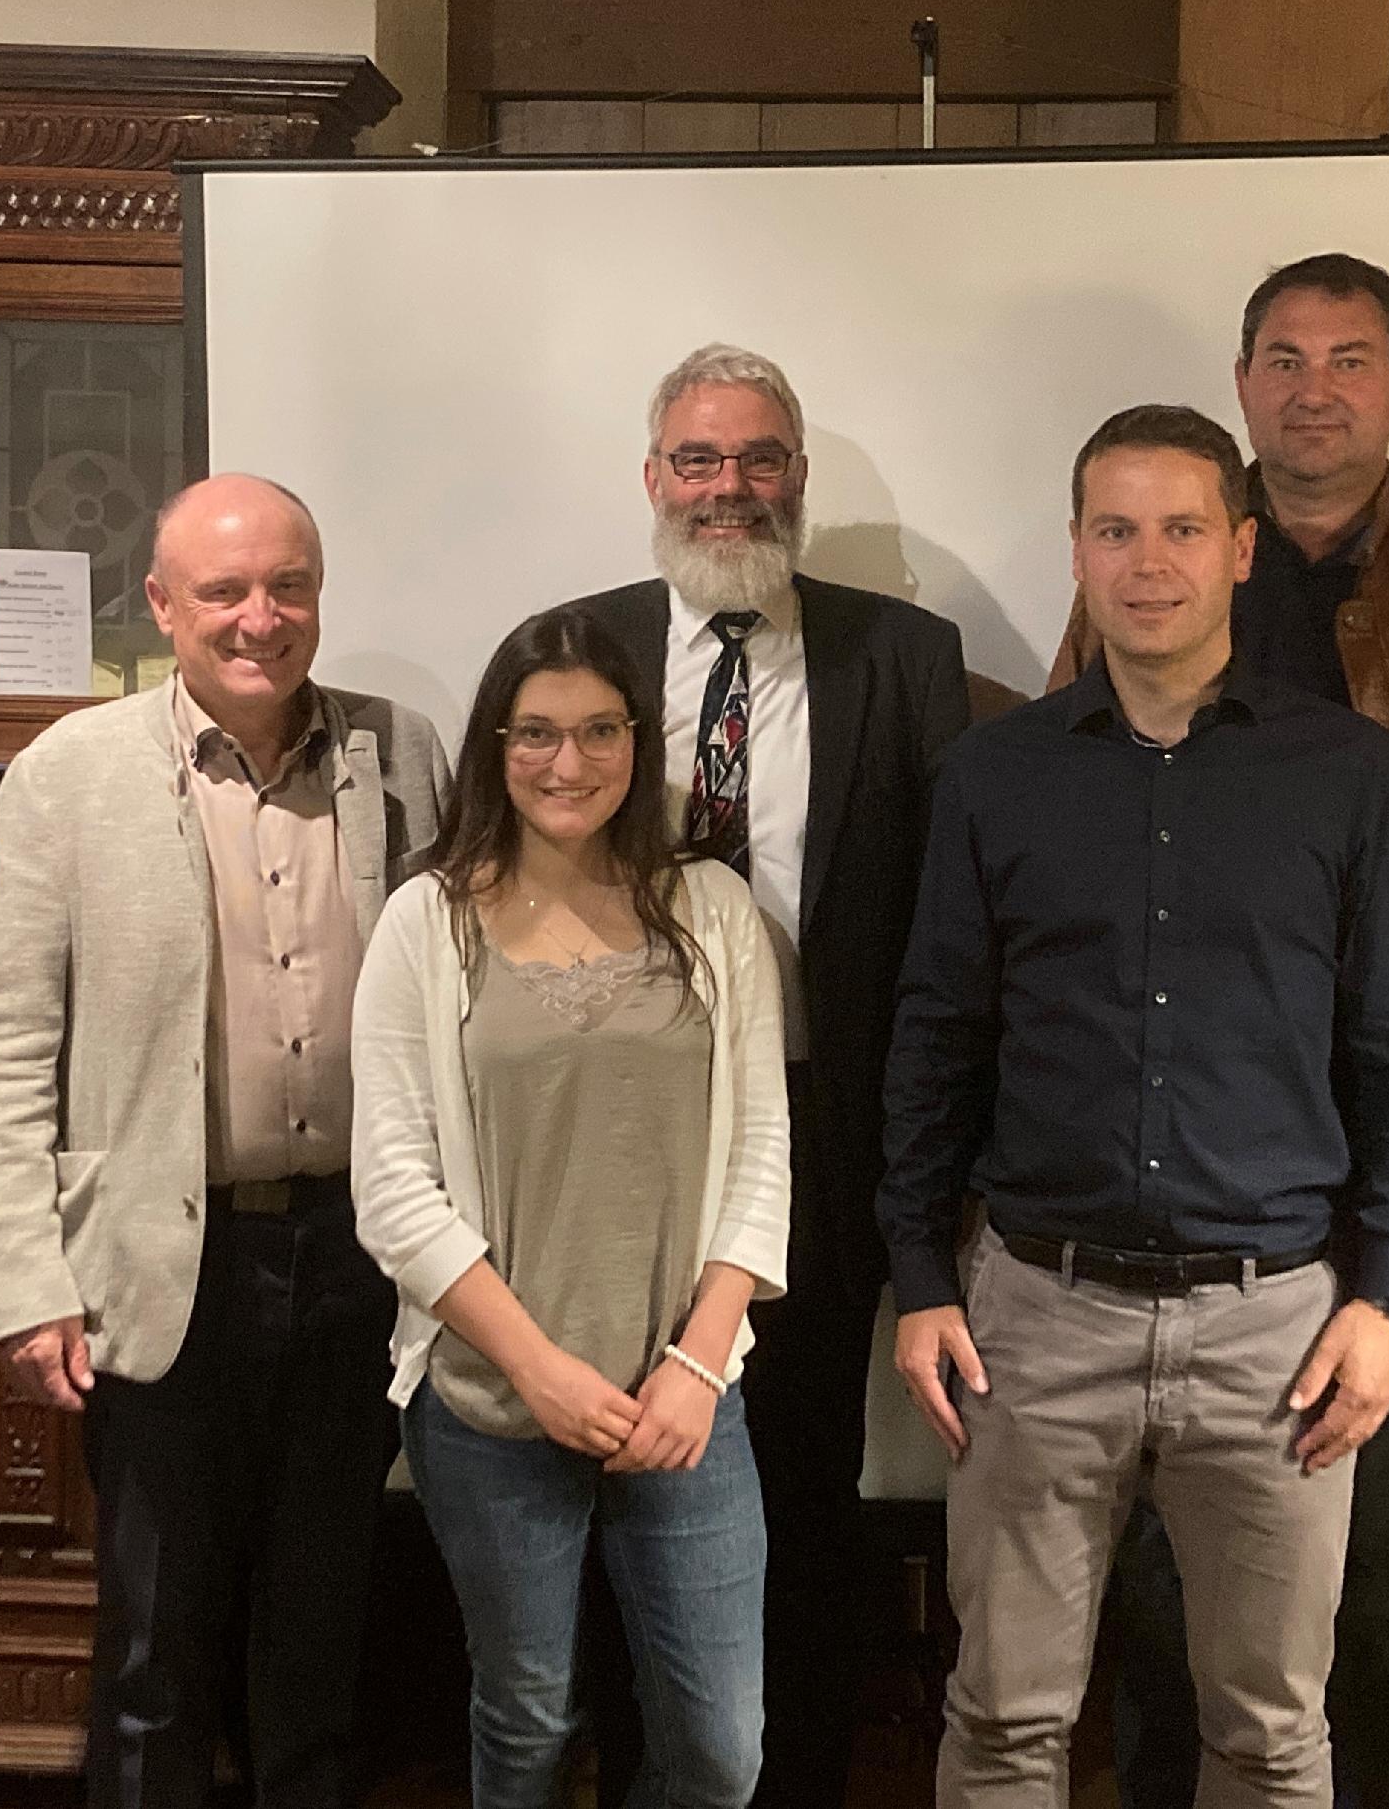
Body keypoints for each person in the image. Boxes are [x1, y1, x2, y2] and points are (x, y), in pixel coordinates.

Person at [1050, 256, 1389, 1809]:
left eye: (1351, 358)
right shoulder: (1154, 576)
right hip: (1180, 1188)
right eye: (1283, 357)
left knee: (1385, 1596)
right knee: (1166, 1593)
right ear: (1242, 385)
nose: (1314, 389)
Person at [887, 403, 1389, 1809]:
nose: (1150, 562)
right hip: (1035, 1318)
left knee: (1270, 1732)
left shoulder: (1348, 772)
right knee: (1004, 1720)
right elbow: (938, 1033)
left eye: (1184, 528)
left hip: (1277, 1329)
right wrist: (920, 1276)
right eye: (1117, 530)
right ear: (1077, 551)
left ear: (1242, 549)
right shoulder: (994, 775)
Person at [0, 473, 450, 1809]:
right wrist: (29, 1279)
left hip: (356, 1256)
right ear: (162, 604)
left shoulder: (400, 750)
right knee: (155, 1646)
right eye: (225, 590)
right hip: (162, 1264)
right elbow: (7, 1050)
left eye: (289, 585)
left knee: (321, 1634)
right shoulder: (69, 774)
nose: (261, 617)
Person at [566, 341, 969, 1807]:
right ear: (653, 477)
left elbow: (946, 930)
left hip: (820, 1135)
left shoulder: (904, 658)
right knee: (624, 1472)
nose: (728, 486)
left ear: (795, 476)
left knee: (803, 1484)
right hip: (621, 1144)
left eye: (759, 458)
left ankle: (794, 1779)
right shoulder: (578, 645)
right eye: (698, 458)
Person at [350, 605, 791, 1809]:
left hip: (683, 1398)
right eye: (537, 733)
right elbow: (393, 1190)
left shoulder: (711, 911)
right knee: (530, 1716)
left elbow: (762, 1149)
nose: (569, 762)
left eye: (601, 730)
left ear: (639, 742)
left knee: (722, 1750)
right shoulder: (427, 921)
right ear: (495, 747)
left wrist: (697, 1366)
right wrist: (538, 1370)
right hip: (493, 1403)